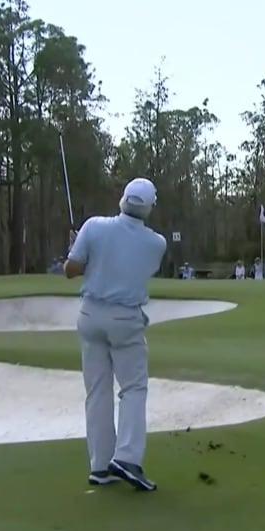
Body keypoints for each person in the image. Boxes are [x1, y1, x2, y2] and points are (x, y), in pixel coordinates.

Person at [63, 177, 167, 492]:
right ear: (149, 208)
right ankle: (126, 458)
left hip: (90, 315)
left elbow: (70, 269)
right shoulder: (156, 243)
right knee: (133, 387)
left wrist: (79, 248)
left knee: (97, 391)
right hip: (125, 319)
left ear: (123, 200)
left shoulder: (94, 226)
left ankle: (100, 466)